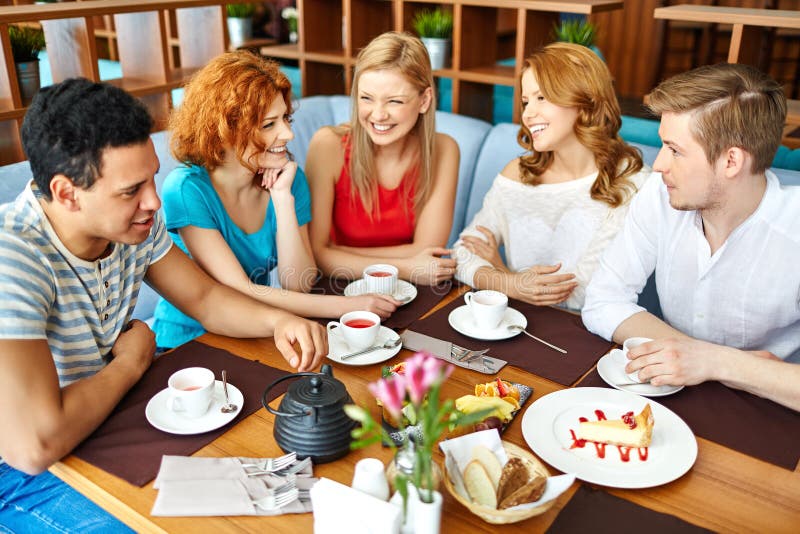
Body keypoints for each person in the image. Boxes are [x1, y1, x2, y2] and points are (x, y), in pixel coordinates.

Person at [0, 78, 326, 531]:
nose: (153, 200)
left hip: (109, 424)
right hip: (21, 477)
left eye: (152, 176)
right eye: (131, 189)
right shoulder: (12, 254)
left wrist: (281, 320)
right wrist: (130, 364)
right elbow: (32, 447)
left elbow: (206, 298)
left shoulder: (134, 223)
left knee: (281, 487)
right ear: (66, 192)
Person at [582, 63, 800, 411]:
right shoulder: (660, 194)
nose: (659, 164)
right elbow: (602, 300)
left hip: (766, 415)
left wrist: (715, 363)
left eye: (675, 150)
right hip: (667, 395)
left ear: (731, 161)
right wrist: (692, 356)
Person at [152, 51, 399, 350]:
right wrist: (346, 305)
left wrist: (282, 200)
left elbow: (300, 281)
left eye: (285, 118)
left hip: (257, 333)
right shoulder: (187, 189)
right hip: (188, 342)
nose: (289, 134)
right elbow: (237, 290)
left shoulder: (290, 180)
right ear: (226, 130)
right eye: (269, 124)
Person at [453, 42, 650, 311]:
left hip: (582, 335)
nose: (528, 114)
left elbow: (585, 295)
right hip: (510, 323)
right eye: (525, 101)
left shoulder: (631, 180)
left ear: (584, 100)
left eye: (541, 98)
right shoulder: (518, 173)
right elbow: (462, 253)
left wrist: (503, 275)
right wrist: (510, 285)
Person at [305, 32, 460, 286]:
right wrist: (406, 266)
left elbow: (428, 248)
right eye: (366, 98)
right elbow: (317, 254)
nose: (378, 115)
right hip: (339, 286)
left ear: (424, 100)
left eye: (394, 101)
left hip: (411, 289)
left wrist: (340, 255)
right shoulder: (328, 146)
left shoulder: (445, 150)